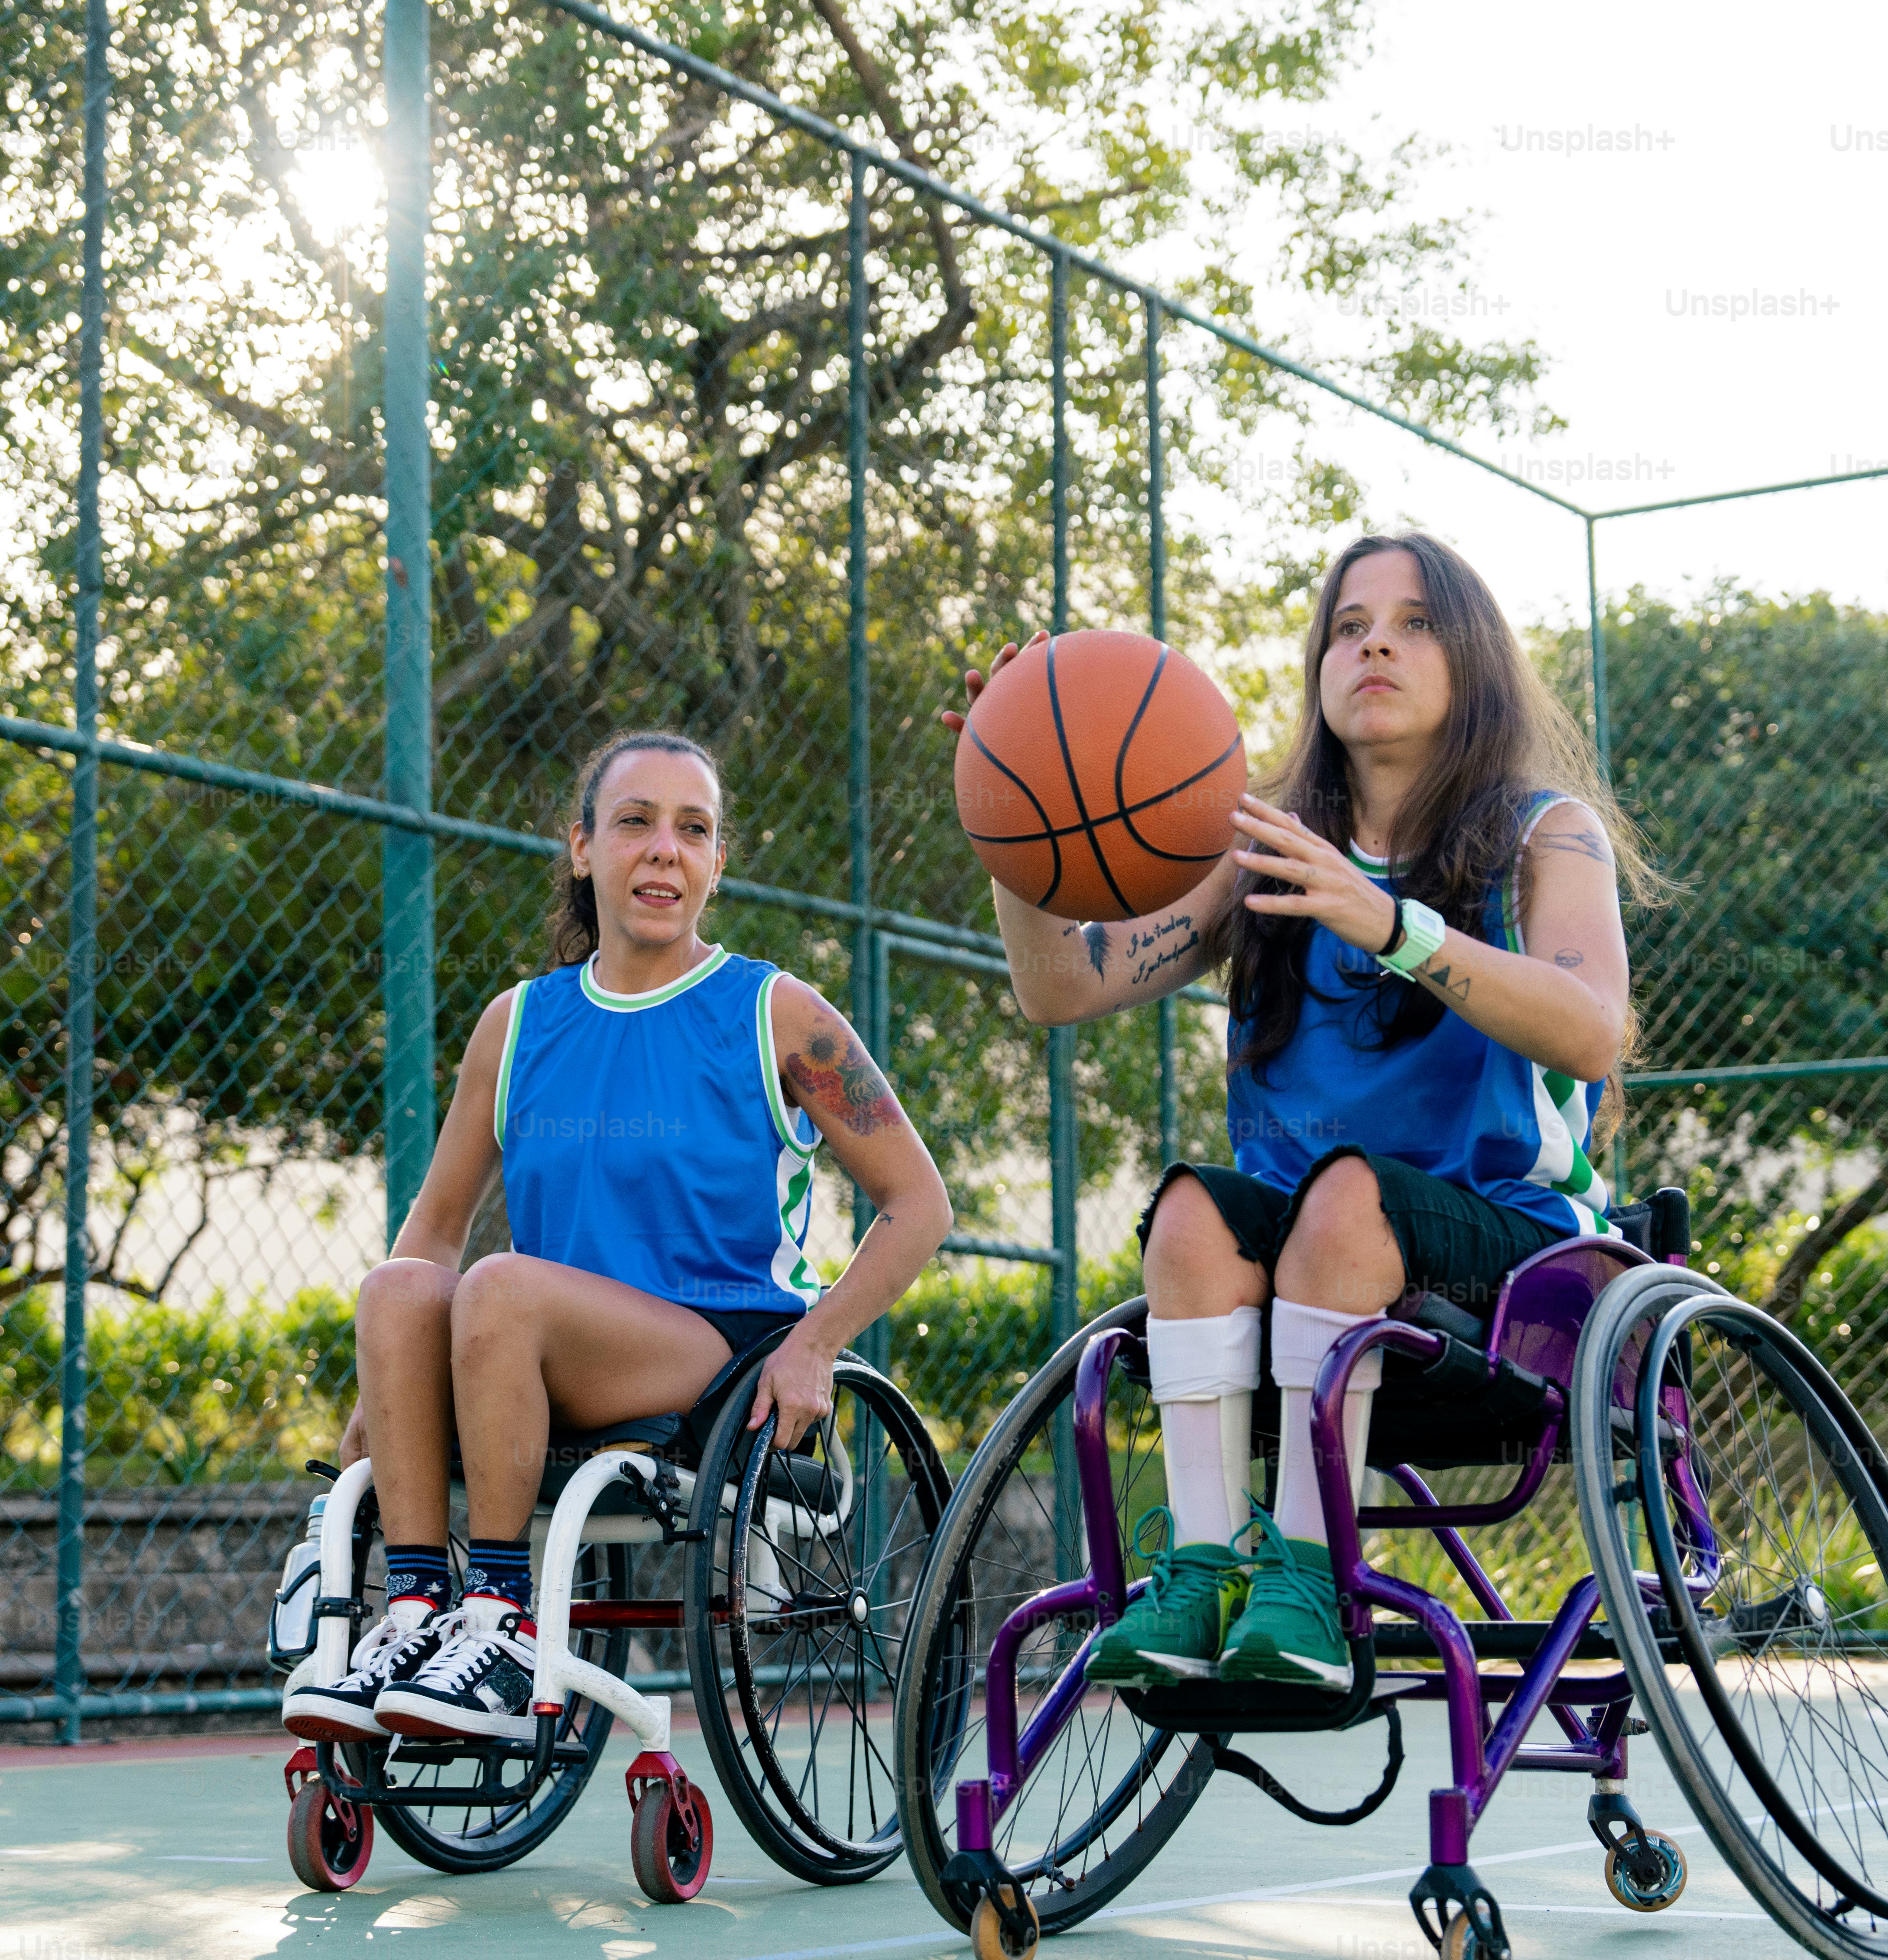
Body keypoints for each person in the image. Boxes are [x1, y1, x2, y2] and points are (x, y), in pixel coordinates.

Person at [950, 530, 1653, 1688]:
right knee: (1188, 1215)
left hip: (1510, 1252)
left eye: (1414, 620)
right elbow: (1059, 984)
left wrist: (1388, 922)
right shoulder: (1259, 849)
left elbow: (1590, 1027)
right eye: (1347, 622)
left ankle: (1308, 1584)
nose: (1372, 637)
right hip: (1308, 1255)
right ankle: (1205, 1569)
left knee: (1343, 1198)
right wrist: (1010, 816)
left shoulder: (1542, 830)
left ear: (1470, 659)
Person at [285, 730, 951, 1743]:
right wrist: (382, 1389)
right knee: (396, 1290)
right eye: (635, 823)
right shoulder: (515, 1026)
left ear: (716, 863)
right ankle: (415, 1611)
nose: (664, 851)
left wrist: (817, 1343)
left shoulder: (780, 1016)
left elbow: (919, 1204)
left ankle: (500, 1621)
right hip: (538, 1350)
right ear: (582, 846)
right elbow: (432, 1231)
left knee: (502, 1288)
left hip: (720, 1361)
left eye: (693, 831)